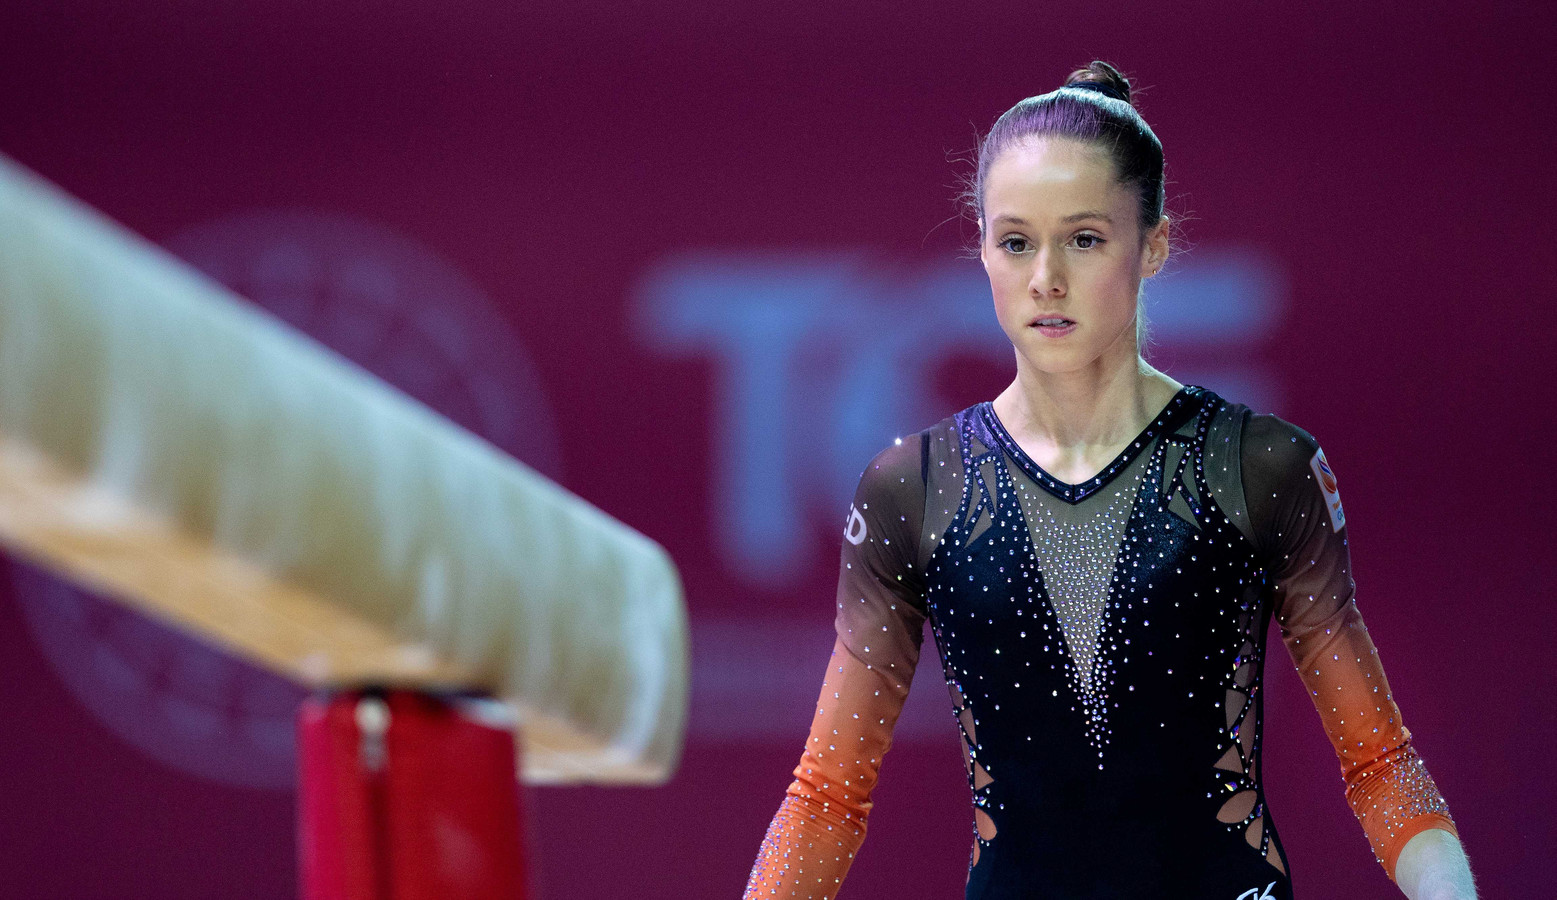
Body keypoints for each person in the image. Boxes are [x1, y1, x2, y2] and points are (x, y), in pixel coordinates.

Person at [742, 62, 1476, 900]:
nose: (1045, 278)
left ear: (1153, 244)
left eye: (1084, 239)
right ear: (979, 248)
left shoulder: (1253, 466)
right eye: (1015, 241)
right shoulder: (916, 488)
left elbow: (1381, 764)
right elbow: (827, 798)